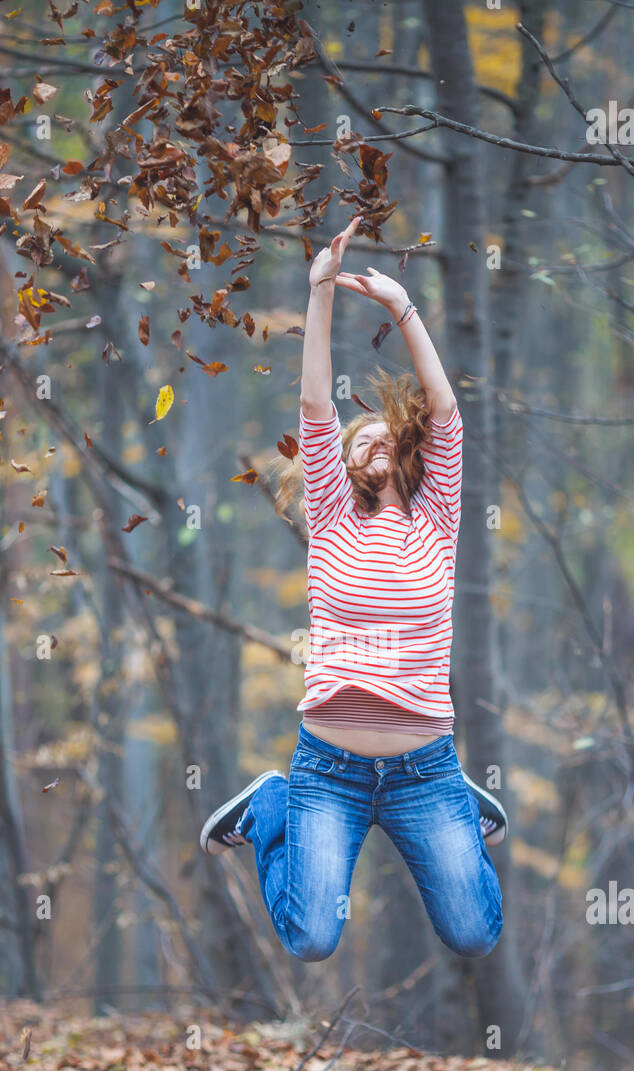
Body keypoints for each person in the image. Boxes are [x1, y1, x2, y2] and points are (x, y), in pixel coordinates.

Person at [201, 216, 506, 963]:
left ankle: (462, 806)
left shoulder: (436, 517)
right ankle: (271, 807)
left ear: (402, 452)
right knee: (311, 938)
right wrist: (319, 296)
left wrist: (403, 309)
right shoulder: (333, 518)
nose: (364, 440)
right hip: (328, 769)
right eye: (352, 439)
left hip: (423, 767)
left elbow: (447, 414)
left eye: (379, 436)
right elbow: (313, 404)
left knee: (474, 932)